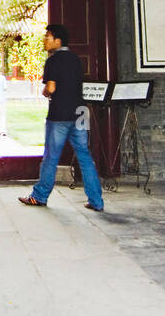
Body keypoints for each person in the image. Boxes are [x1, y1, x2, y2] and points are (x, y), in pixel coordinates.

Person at [18, 23, 104, 212]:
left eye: (47, 36)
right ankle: (96, 201)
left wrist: (45, 92)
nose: (44, 40)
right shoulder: (76, 59)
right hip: (80, 112)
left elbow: (51, 88)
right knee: (85, 156)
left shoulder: (53, 61)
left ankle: (39, 196)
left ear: (58, 40)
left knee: (51, 157)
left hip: (60, 114)